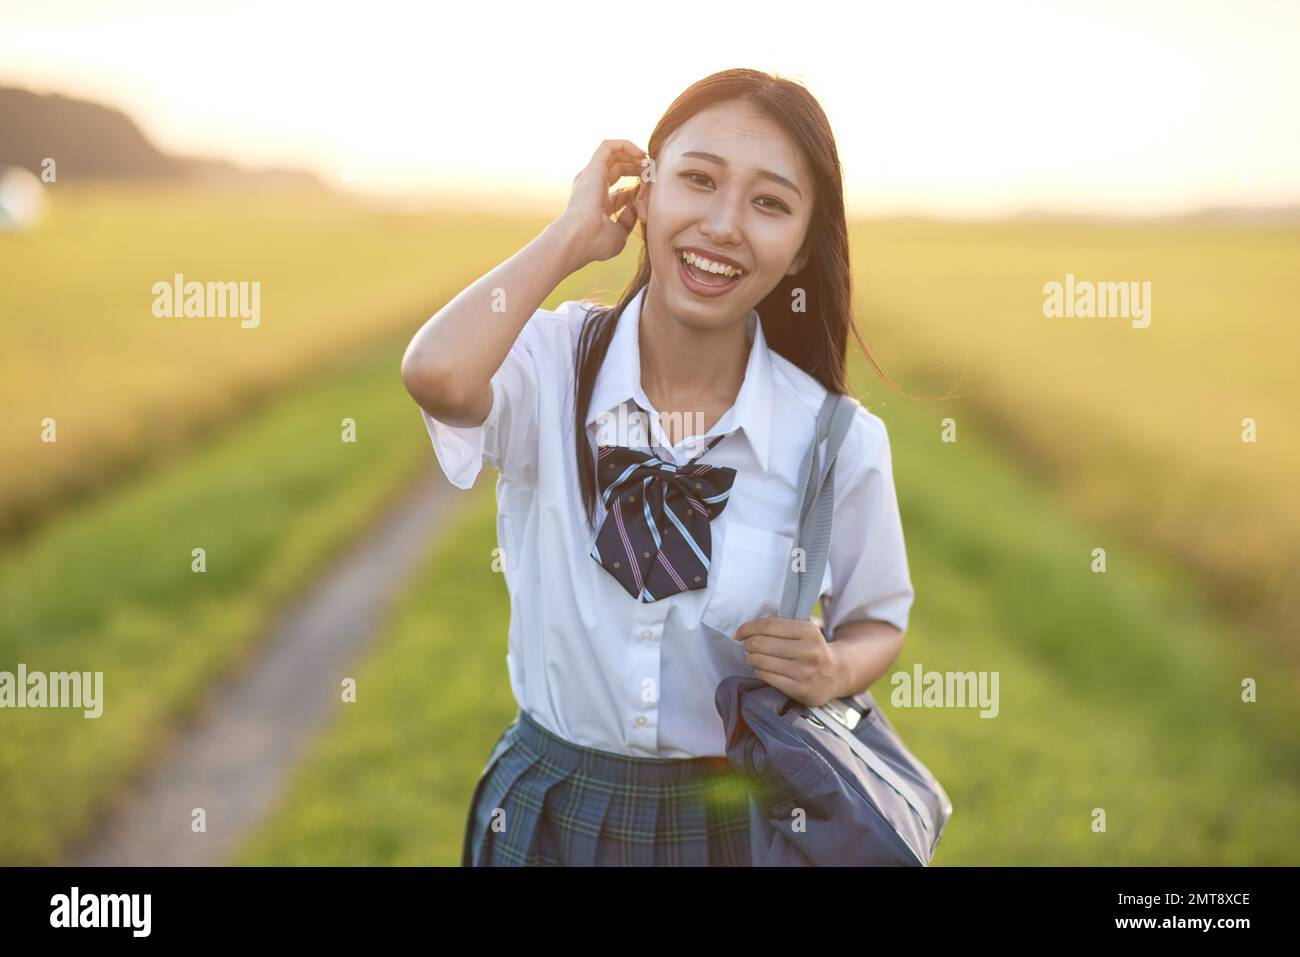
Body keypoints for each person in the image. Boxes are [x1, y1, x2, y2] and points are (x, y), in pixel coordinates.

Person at [400, 68, 915, 866]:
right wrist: (572, 235)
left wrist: (830, 667)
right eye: (698, 180)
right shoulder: (552, 362)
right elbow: (436, 373)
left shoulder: (834, 440)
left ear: (804, 243)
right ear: (644, 195)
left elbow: (879, 619)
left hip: (733, 823)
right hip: (548, 810)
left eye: (769, 202)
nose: (723, 224)